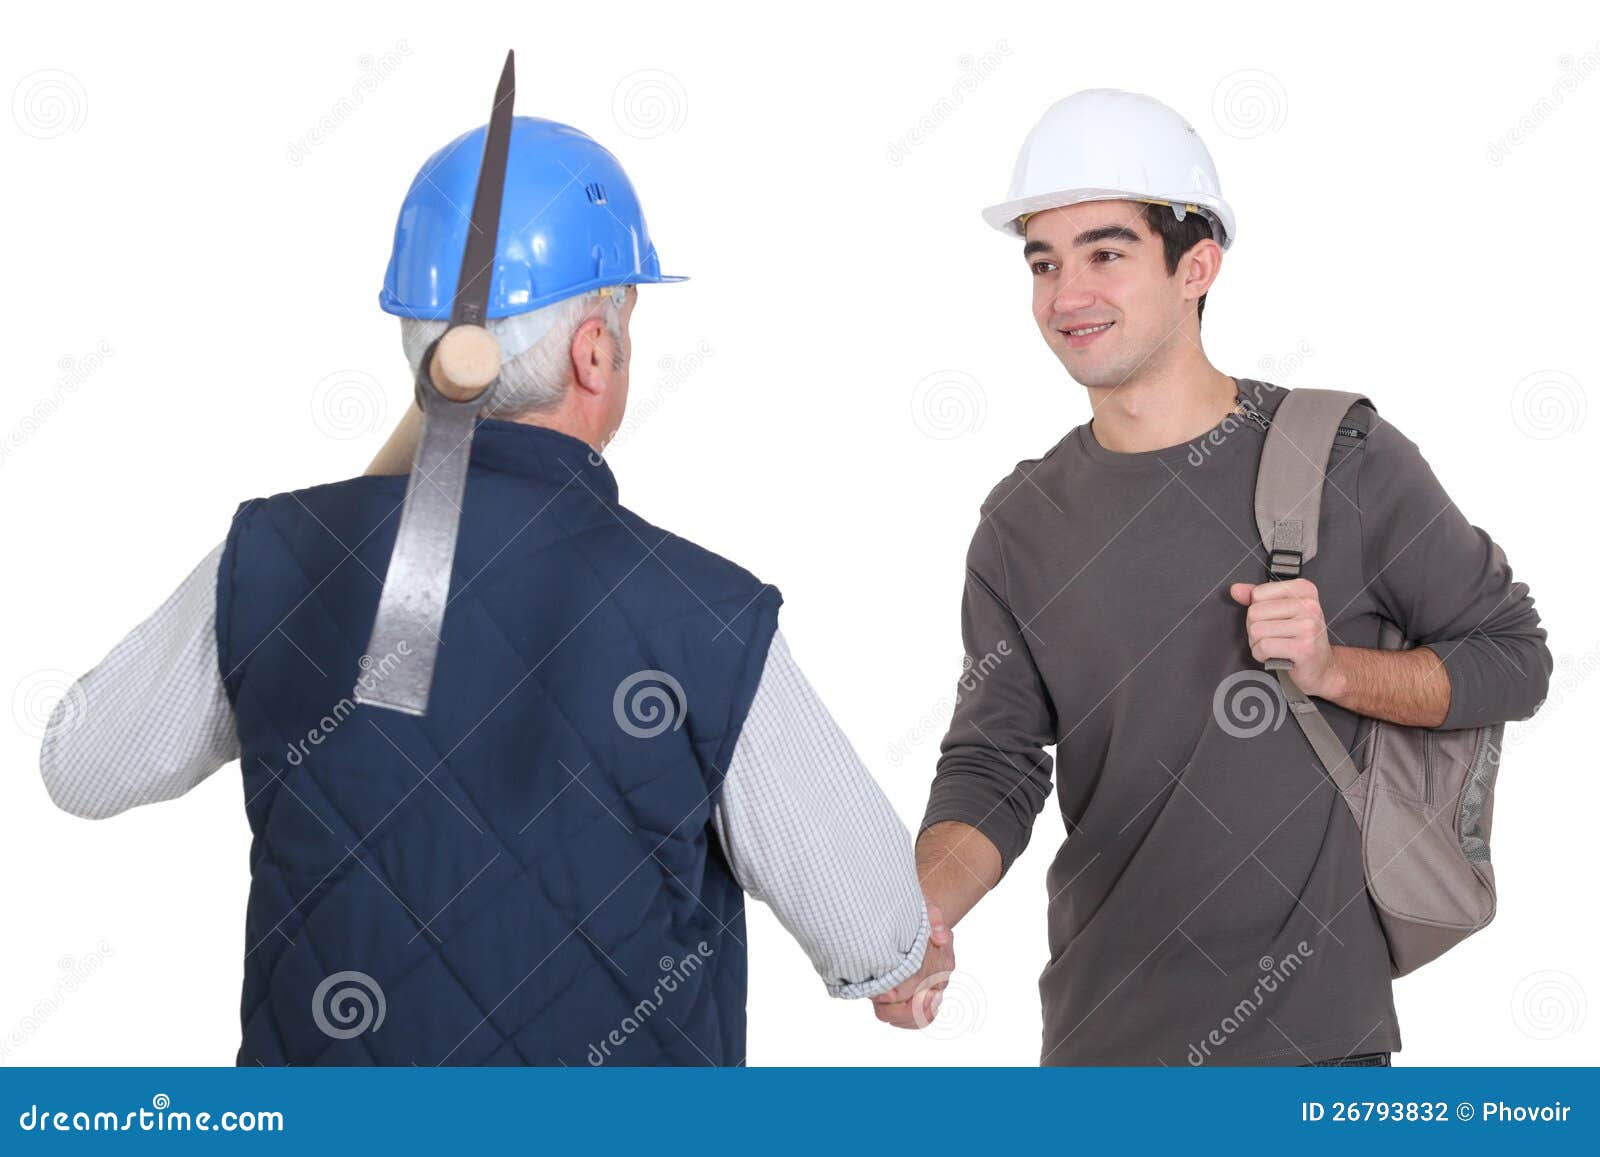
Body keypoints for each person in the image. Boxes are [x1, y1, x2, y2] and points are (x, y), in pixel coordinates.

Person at [40, 111, 943, 1067]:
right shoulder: (705, 612)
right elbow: (877, 934)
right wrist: (914, 959)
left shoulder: (266, 556)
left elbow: (82, 766)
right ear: (595, 349)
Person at [871, 89, 1551, 1066]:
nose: (1066, 295)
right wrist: (922, 911)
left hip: (1315, 1048)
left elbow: (1514, 661)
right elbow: (996, 761)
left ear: (1197, 264)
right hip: (1100, 1044)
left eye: (1104, 253)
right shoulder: (1021, 521)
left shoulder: (1341, 456)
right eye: (1043, 262)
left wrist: (1333, 672)